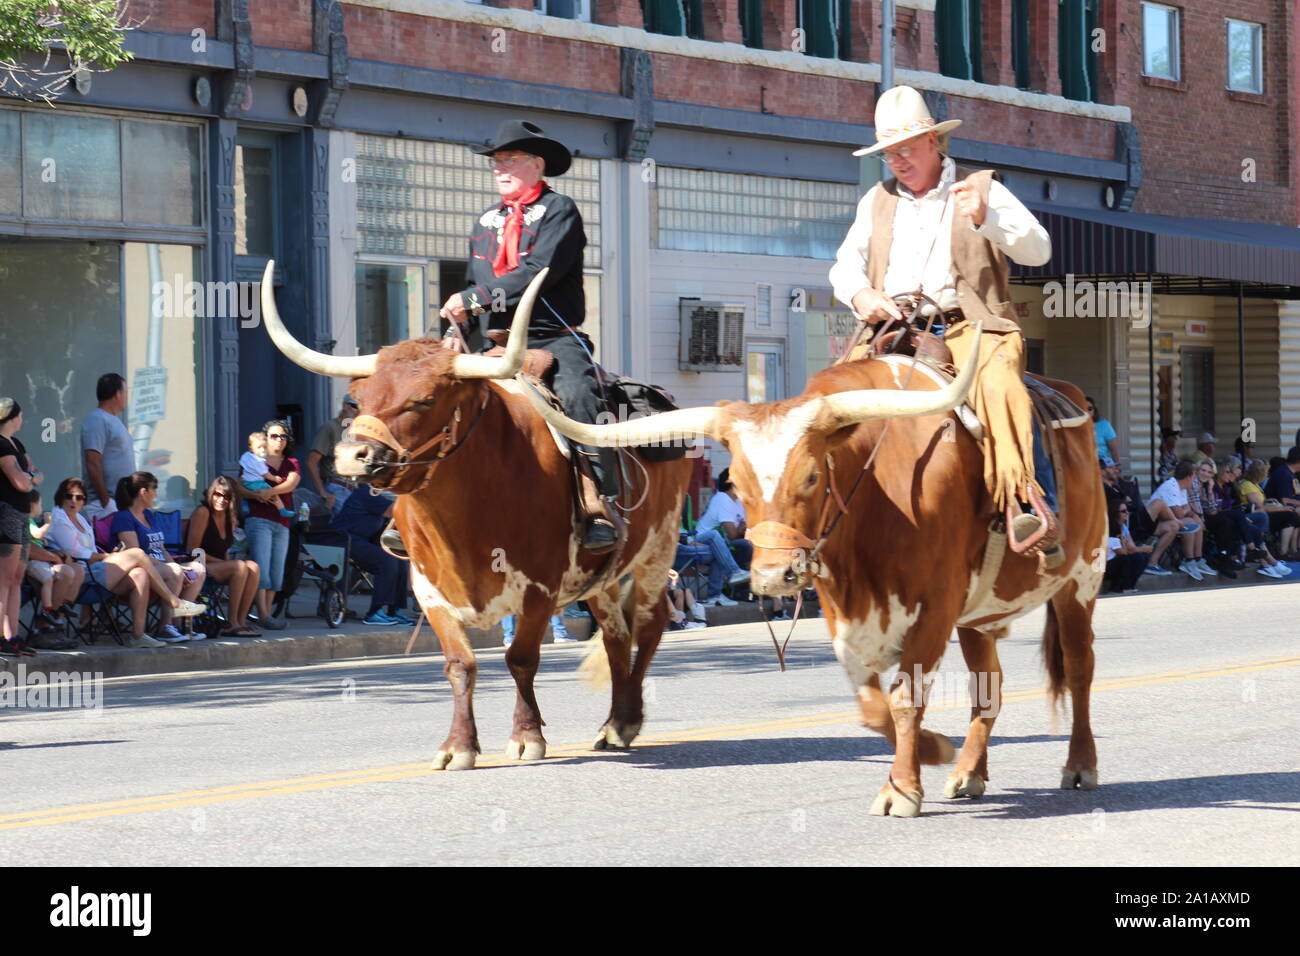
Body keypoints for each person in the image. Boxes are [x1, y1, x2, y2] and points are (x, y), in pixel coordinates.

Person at [828, 85, 1054, 541]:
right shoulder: (876, 200)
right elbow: (844, 265)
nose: (899, 162)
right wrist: (862, 295)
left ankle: (1021, 502)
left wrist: (987, 217)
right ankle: (825, 517)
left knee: (998, 385)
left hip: (969, 325)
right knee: (830, 400)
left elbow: (1040, 250)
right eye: (890, 155)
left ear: (934, 141)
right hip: (892, 328)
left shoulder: (981, 188)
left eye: (907, 150)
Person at [438, 119, 617, 554]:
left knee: (577, 393)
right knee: (439, 400)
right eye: (496, 161)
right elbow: (469, 280)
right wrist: (453, 328)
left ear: (537, 165)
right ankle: (420, 507)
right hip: (494, 342)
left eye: (511, 160)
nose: (500, 168)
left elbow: (538, 271)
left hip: (552, 336)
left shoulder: (560, 210)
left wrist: (474, 299)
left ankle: (597, 502)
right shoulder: (485, 221)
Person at [45, 477, 203, 647]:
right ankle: (174, 602)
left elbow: (92, 551)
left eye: (80, 497)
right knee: (136, 553)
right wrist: (107, 557)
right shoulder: (59, 520)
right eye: (69, 496)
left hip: (98, 570)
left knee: (139, 573)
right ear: (61, 496)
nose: (74, 501)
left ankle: (138, 635)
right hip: (83, 575)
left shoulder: (80, 519)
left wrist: (109, 556)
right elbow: (79, 554)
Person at [111, 472, 208, 642]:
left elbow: (161, 547)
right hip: (142, 570)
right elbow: (135, 555)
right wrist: (174, 568)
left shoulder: (149, 515)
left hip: (162, 567)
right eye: (154, 489)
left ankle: (182, 625)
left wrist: (178, 565)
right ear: (143, 492)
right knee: (175, 571)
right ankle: (165, 627)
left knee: (198, 569)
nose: (156, 494)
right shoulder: (123, 518)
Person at [184, 476, 262, 636]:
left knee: (253, 567)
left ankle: (241, 621)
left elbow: (224, 550)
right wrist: (225, 564)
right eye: (217, 495)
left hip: (218, 566)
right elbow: (193, 550)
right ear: (211, 494)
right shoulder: (203, 512)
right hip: (196, 565)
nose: (221, 500)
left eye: (227, 497)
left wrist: (226, 563)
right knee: (239, 566)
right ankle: (231, 623)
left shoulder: (230, 517)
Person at [243, 420, 300, 629]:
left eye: (283, 436)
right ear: (265, 438)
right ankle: (264, 614)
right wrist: (257, 494)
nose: (279, 440)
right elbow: (239, 487)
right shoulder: (255, 459)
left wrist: (270, 492)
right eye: (274, 436)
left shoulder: (291, 462)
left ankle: (267, 613)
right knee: (262, 566)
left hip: (282, 522)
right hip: (259, 519)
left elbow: (291, 483)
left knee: (277, 569)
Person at [331, 487, 413, 626]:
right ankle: (374, 613)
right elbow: (392, 511)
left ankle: (394, 611)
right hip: (344, 539)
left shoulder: (377, 495)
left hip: (361, 540)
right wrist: (409, 496)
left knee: (399, 558)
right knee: (386, 560)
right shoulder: (367, 492)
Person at [0, 398, 41, 655]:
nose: (22, 420)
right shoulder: (2, 445)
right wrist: (30, 478)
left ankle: (12, 635)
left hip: (22, 515)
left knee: (17, 578)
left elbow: (35, 473)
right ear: (13, 417)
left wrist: (31, 477)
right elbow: (21, 482)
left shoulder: (17, 444)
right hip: (6, 514)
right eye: (21, 416)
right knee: (4, 578)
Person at [24, 491, 84, 646]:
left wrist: (55, 553)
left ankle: (58, 620)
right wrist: (53, 556)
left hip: (42, 563)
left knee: (77, 569)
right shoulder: (22, 520)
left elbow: (38, 543)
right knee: (66, 571)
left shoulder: (30, 521)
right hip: (28, 570)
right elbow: (29, 547)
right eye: (40, 504)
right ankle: (43, 628)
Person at [693, 468, 752, 607]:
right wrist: (742, 529)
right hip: (699, 541)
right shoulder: (723, 499)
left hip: (719, 544)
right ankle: (735, 572)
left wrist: (745, 530)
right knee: (718, 538)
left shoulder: (737, 502)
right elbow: (733, 534)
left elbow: (743, 531)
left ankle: (716, 596)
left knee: (743, 545)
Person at [80, 373, 136, 520]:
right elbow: (92, 461)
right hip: (105, 505)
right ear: (117, 394)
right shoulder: (97, 419)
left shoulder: (112, 420)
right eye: (125, 392)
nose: (127, 397)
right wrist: (105, 501)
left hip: (118, 503)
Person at [1147, 461, 1211, 581]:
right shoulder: (1171, 486)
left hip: (1165, 521)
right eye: (1193, 477)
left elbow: (1186, 510)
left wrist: (1195, 515)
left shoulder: (1182, 488)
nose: (1193, 480)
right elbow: (1180, 514)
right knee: (1190, 522)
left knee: (1196, 521)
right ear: (1189, 476)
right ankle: (1188, 560)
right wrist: (1188, 511)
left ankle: (1197, 559)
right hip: (1152, 524)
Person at [304, 396, 358, 518]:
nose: (359, 411)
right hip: (338, 487)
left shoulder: (356, 432)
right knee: (344, 529)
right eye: (355, 406)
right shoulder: (329, 428)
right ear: (345, 406)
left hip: (356, 489)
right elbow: (311, 462)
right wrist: (323, 493)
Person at [1238, 458, 1300, 559]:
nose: (1267, 474)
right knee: (1290, 516)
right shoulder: (1247, 485)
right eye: (1266, 471)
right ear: (1259, 473)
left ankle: (1290, 550)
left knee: (1292, 515)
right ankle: (1283, 551)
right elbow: (1260, 507)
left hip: (1265, 512)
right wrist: (1283, 508)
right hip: (1257, 515)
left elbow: (1261, 503)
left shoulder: (1255, 485)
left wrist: (1268, 500)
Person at [239, 431, 295, 518]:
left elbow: (242, 465)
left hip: (246, 481)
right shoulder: (259, 461)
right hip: (256, 483)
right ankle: (282, 510)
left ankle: (244, 504)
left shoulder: (246, 456)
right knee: (273, 494)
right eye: (259, 447)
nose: (262, 450)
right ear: (251, 448)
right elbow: (265, 474)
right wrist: (274, 478)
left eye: (264, 447)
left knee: (244, 493)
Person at [1104, 499, 1150, 594]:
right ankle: (1121, 588)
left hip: (1110, 562)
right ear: (1115, 513)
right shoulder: (1111, 530)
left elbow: (1131, 546)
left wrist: (1139, 549)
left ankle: (1128, 586)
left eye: (1127, 511)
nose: (1127, 513)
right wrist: (1142, 548)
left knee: (1142, 557)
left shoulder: (1123, 527)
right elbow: (1124, 551)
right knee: (1126, 559)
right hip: (1101, 566)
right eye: (1123, 511)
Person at [1088, 397, 1119, 467]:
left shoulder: (1104, 425)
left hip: (1103, 463)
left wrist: (1117, 467)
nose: (1086, 411)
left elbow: (1114, 449)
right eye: (1083, 408)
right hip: (1085, 463)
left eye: (1089, 409)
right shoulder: (1076, 427)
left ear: (1094, 410)